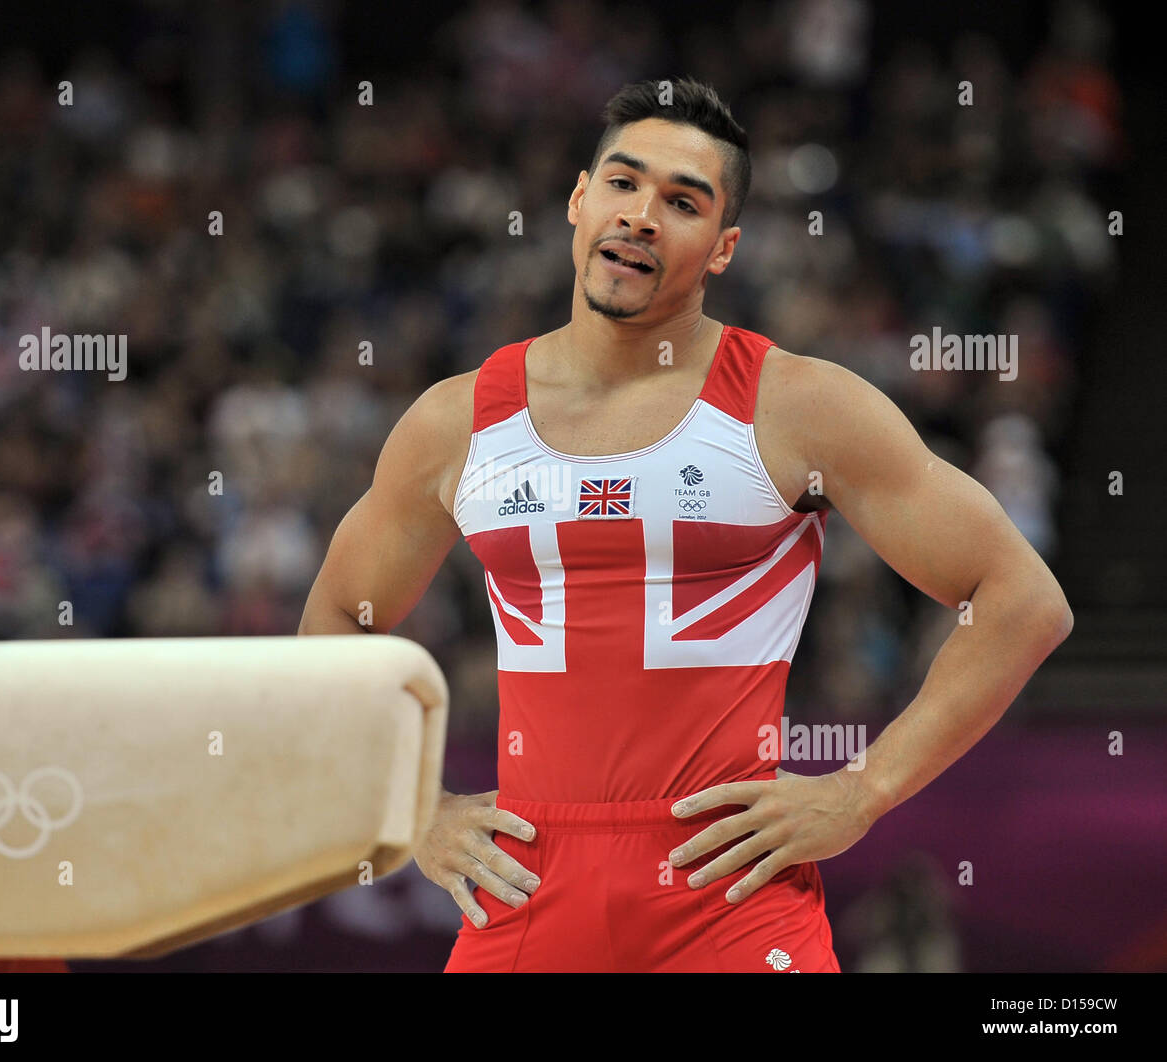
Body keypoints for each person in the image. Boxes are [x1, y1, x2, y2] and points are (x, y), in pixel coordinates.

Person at [297, 77, 1072, 972]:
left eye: (683, 202)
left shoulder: (796, 407)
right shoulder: (456, 422)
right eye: (623, 185)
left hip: (732, 905)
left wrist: (863, 791)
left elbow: (1023, 599)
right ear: (579, 201)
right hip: (526, 896)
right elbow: (333, 624)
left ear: (723, 248)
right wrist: (413, 811)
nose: (642, 217)